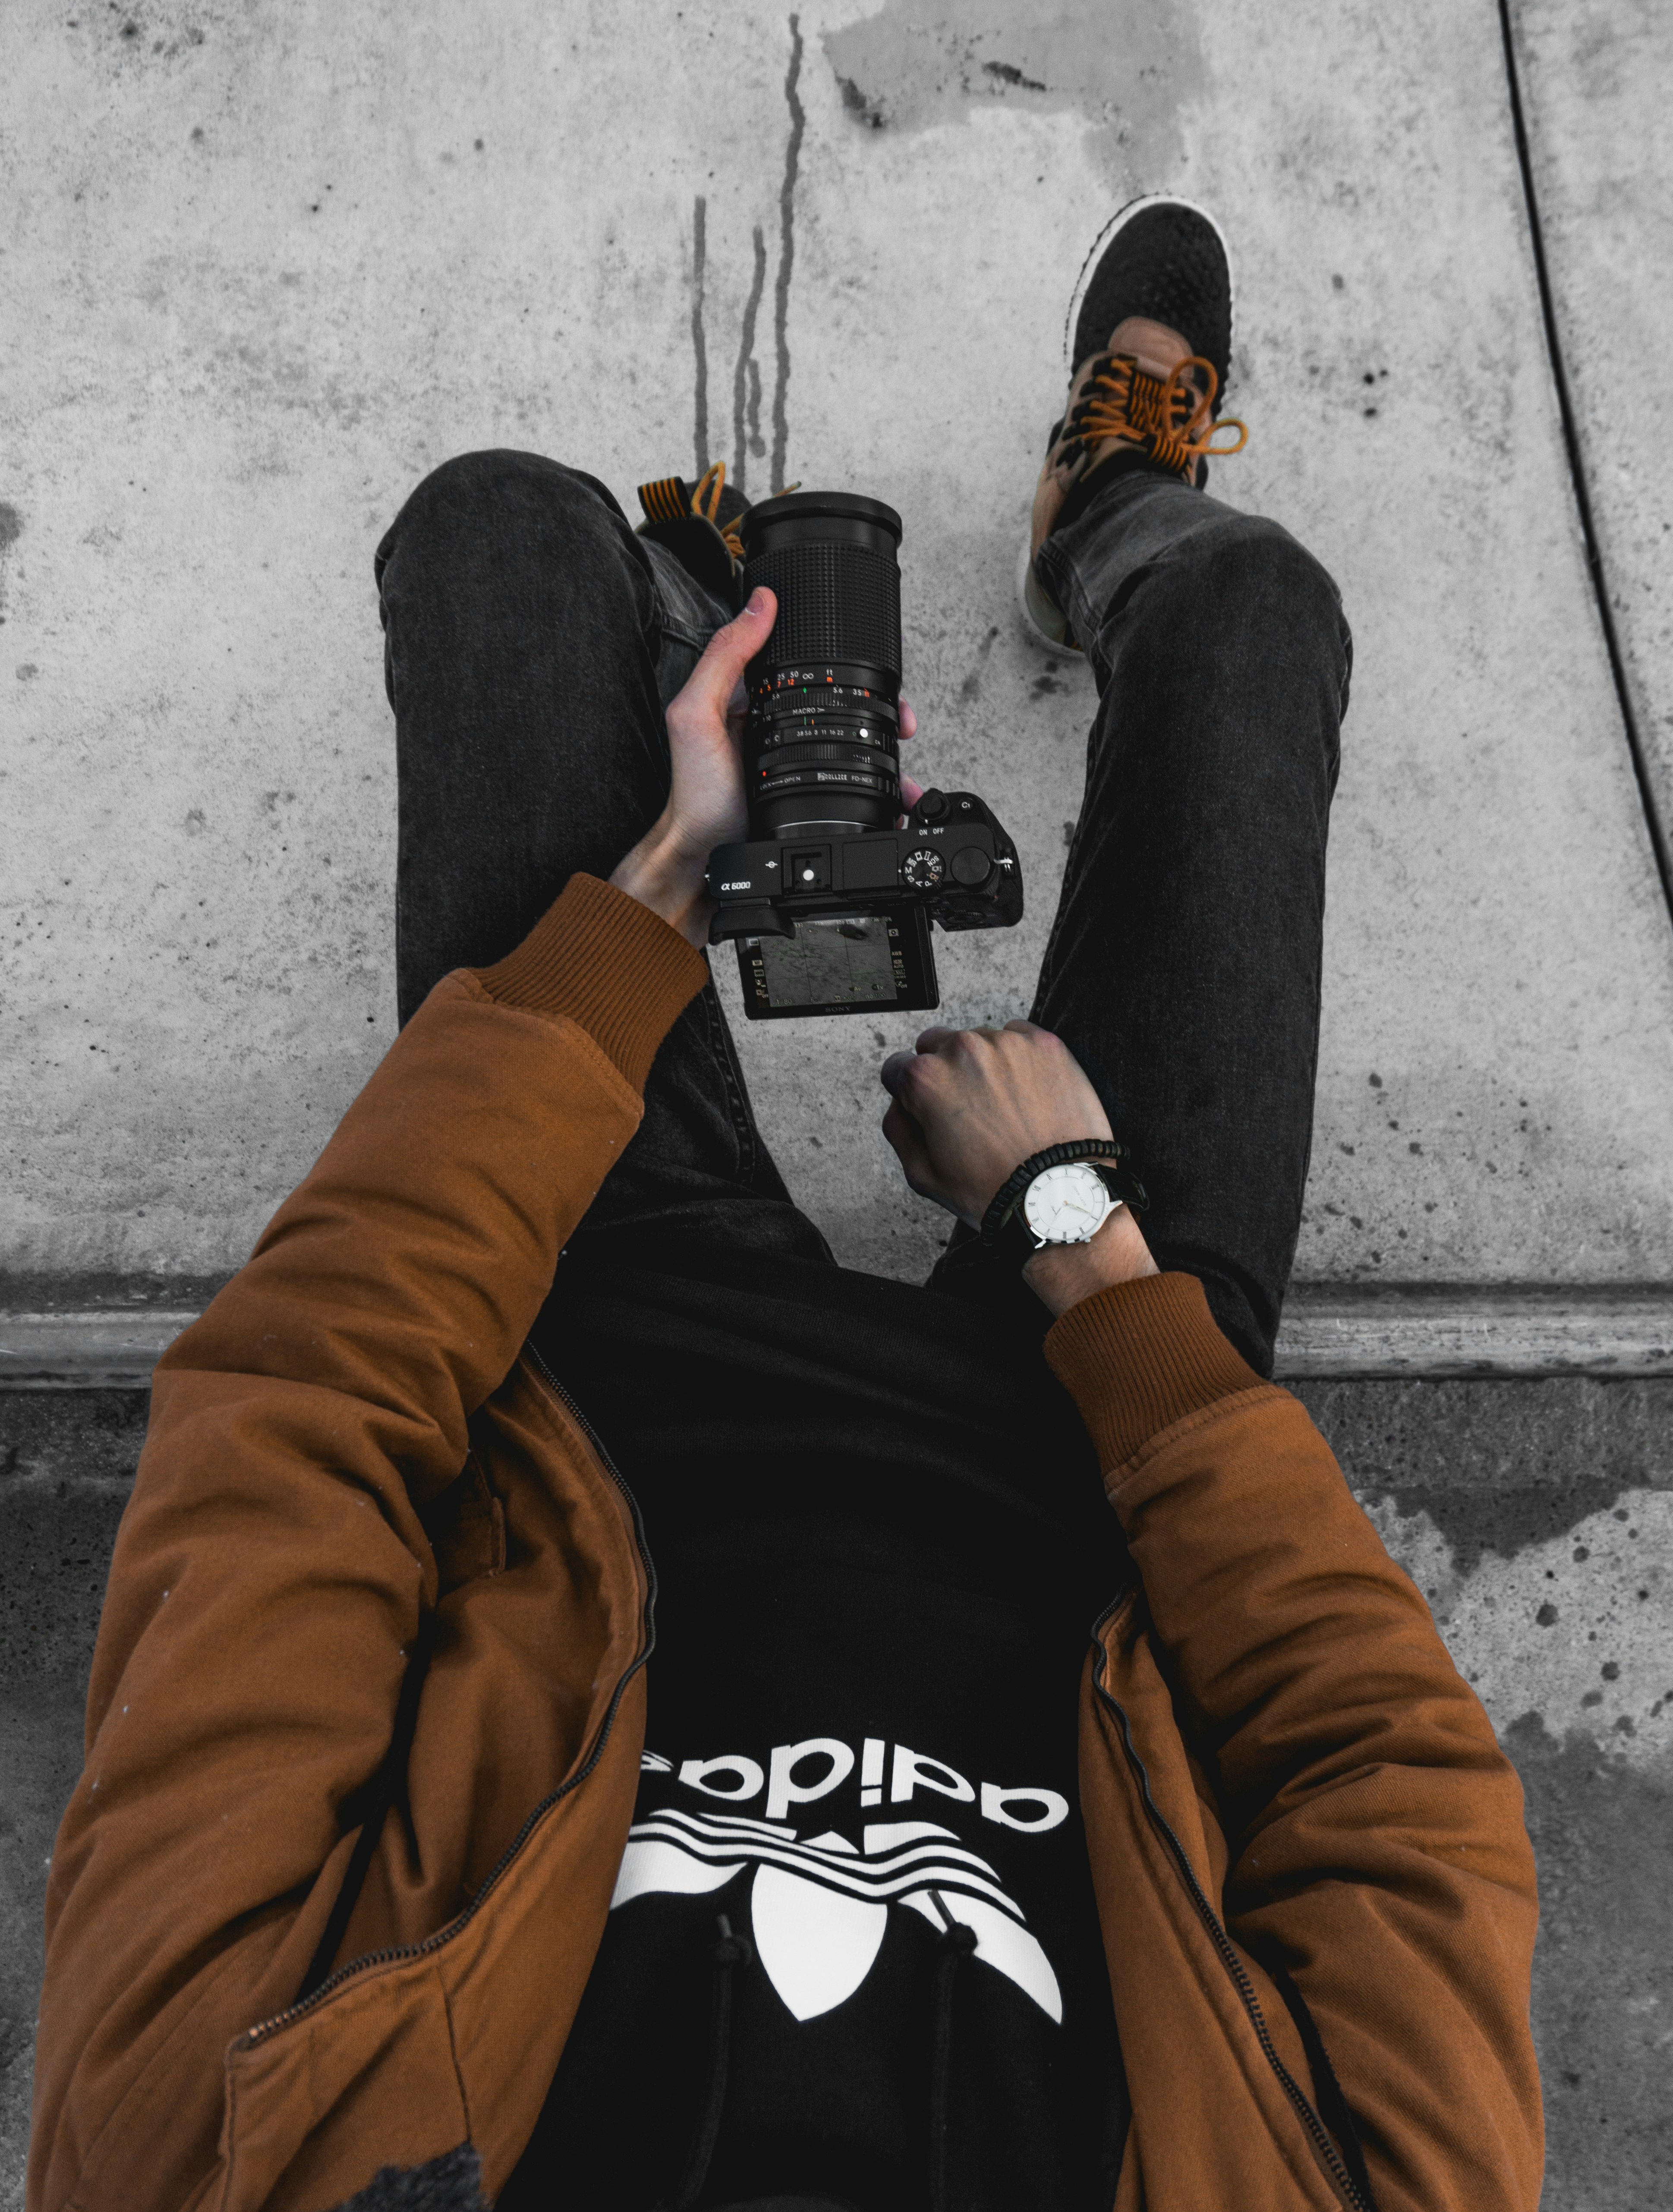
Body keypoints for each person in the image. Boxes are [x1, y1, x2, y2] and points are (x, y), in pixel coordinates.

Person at [28, 200, 1543, 2212]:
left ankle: (689, 623)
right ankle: (1110, 523)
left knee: (499, 539)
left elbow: (292, 1435)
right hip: (1080, 1444)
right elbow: (1383, 1784)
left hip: (604, 1358)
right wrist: (1088, 1258)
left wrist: (646, 903)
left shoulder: (204, 2167)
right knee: (1252, 613)